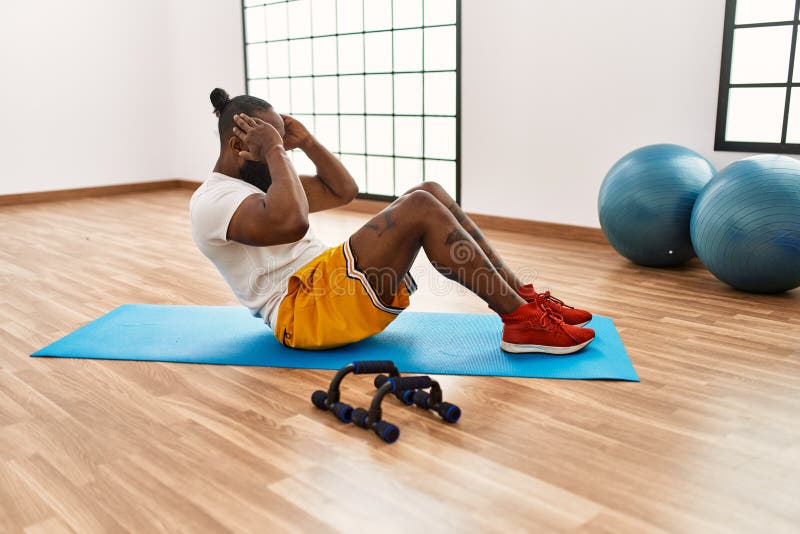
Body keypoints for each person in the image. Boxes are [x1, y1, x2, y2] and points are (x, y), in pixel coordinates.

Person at [190, 89, 595, 354]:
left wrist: (307, 142)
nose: (280, 151)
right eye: (269, 144)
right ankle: (522, 324)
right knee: (418, 206)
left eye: (279, 142)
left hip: (328, 286)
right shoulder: (214, 201)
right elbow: (291, 224)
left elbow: (343, 190)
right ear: (238, 145)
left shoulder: (266, 181)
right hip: (303, 312)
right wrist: (275, 151)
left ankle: (525, 302)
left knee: (430, 191)